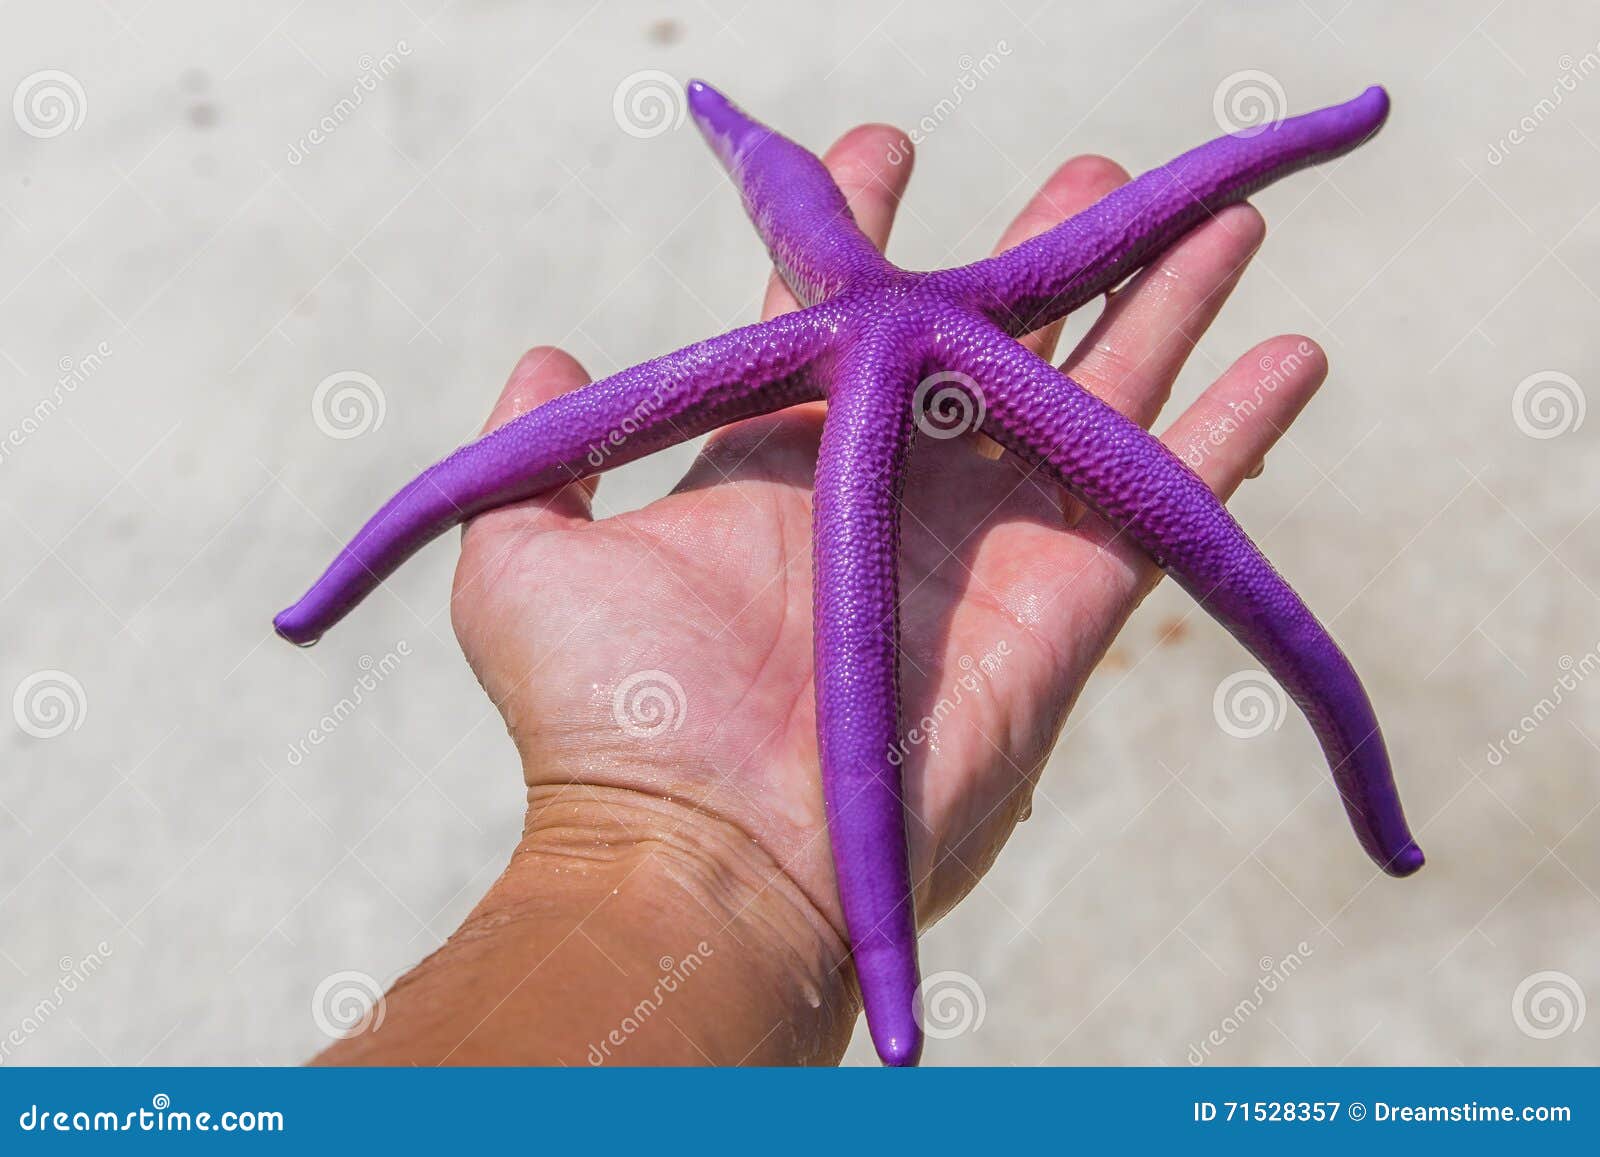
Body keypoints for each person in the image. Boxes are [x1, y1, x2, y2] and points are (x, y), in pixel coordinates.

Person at [317, 120, 1327, 1066]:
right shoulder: (898, 315)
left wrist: (713, 880)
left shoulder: (846, 297)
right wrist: (735, 885)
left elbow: (776, 196)